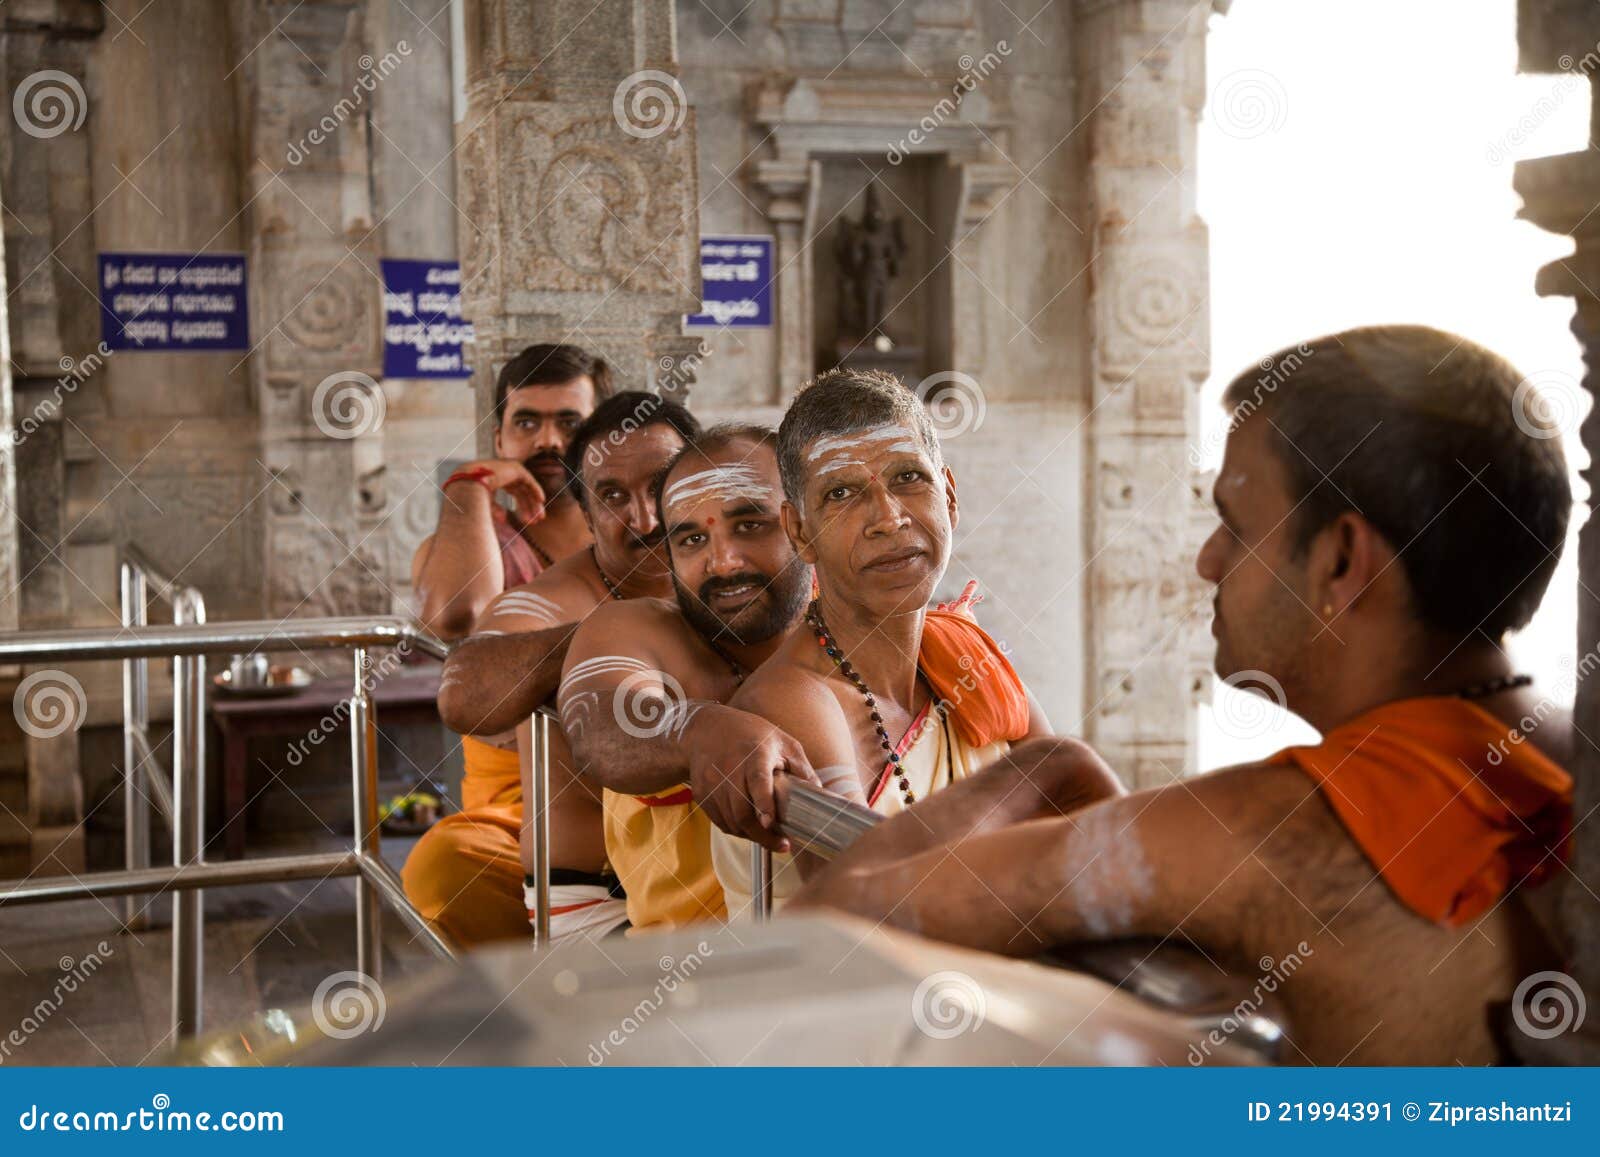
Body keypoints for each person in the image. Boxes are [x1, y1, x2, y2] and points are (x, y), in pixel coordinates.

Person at [791, 326, 1577, 1065]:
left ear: (1340, 561)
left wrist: (1046, 763)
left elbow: (841, 912)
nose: (1207, 560)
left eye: (1234, 524)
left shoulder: (1266, 831)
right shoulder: (1571, 752)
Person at [702, 368, 1103, 917]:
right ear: (800, 533)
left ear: (950, 497)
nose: (888, 519)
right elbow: (863, 899)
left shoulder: (966, 660)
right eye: (842, 494)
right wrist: (1057, 769)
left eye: (909, 478)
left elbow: (1082, 836)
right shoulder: (796, 699)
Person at [402, 392, 700, 946]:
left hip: (726, 867)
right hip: (601, 891)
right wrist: (622, 637)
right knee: (443, 865)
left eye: (661, 488)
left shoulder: (735, 575)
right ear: (587, 513)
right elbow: (465, 689)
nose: (646, 517)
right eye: (613, 497)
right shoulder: (553, 599)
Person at [554, 425, 816, 930]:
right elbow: (599, 727)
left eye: (750, 525)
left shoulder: (857, 625)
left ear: (803, 523)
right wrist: (697, 730)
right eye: (693, 539)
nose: (723, 562)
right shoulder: (635, 627)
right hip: (681, 986)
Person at [411, 343, 609, 642]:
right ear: (499, 441)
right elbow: (453, 620)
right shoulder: (468, 550)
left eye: (570, 424)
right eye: (526, 423)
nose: (548, 441)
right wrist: (469, 482)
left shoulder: (638, 538)